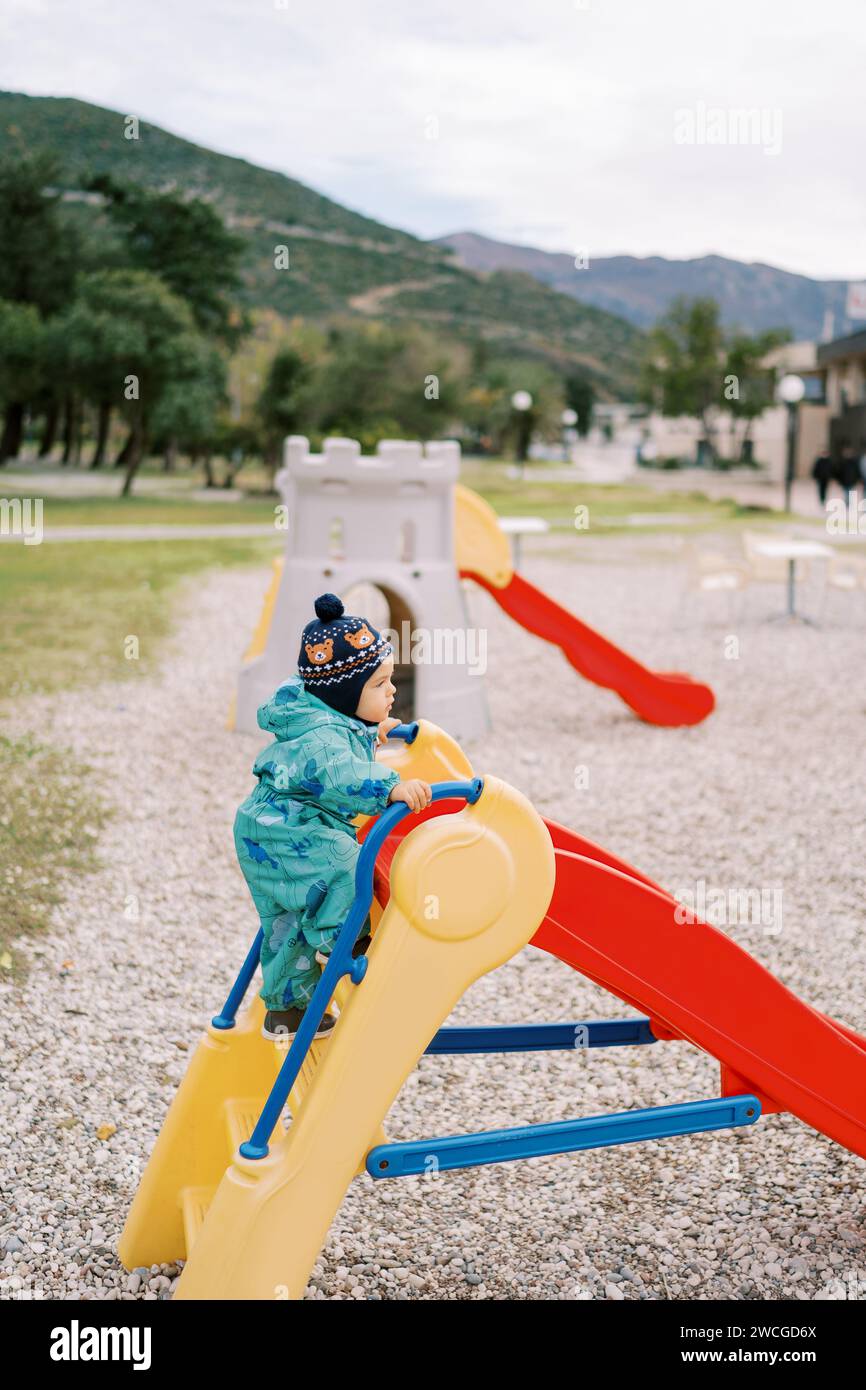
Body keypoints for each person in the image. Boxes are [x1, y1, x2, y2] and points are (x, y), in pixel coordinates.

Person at [234, 593, 432, 1042]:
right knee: (345, 861)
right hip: (288, 833)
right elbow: (342, 774)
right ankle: (339, 940)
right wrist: (391, 787)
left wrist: (368, 729)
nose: (392, 690)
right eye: (380, 685)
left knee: (286, 928)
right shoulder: (324, 740)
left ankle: (286, 1013)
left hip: (267, 831)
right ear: (346, 694)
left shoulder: (325, 715)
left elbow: (343, 733)